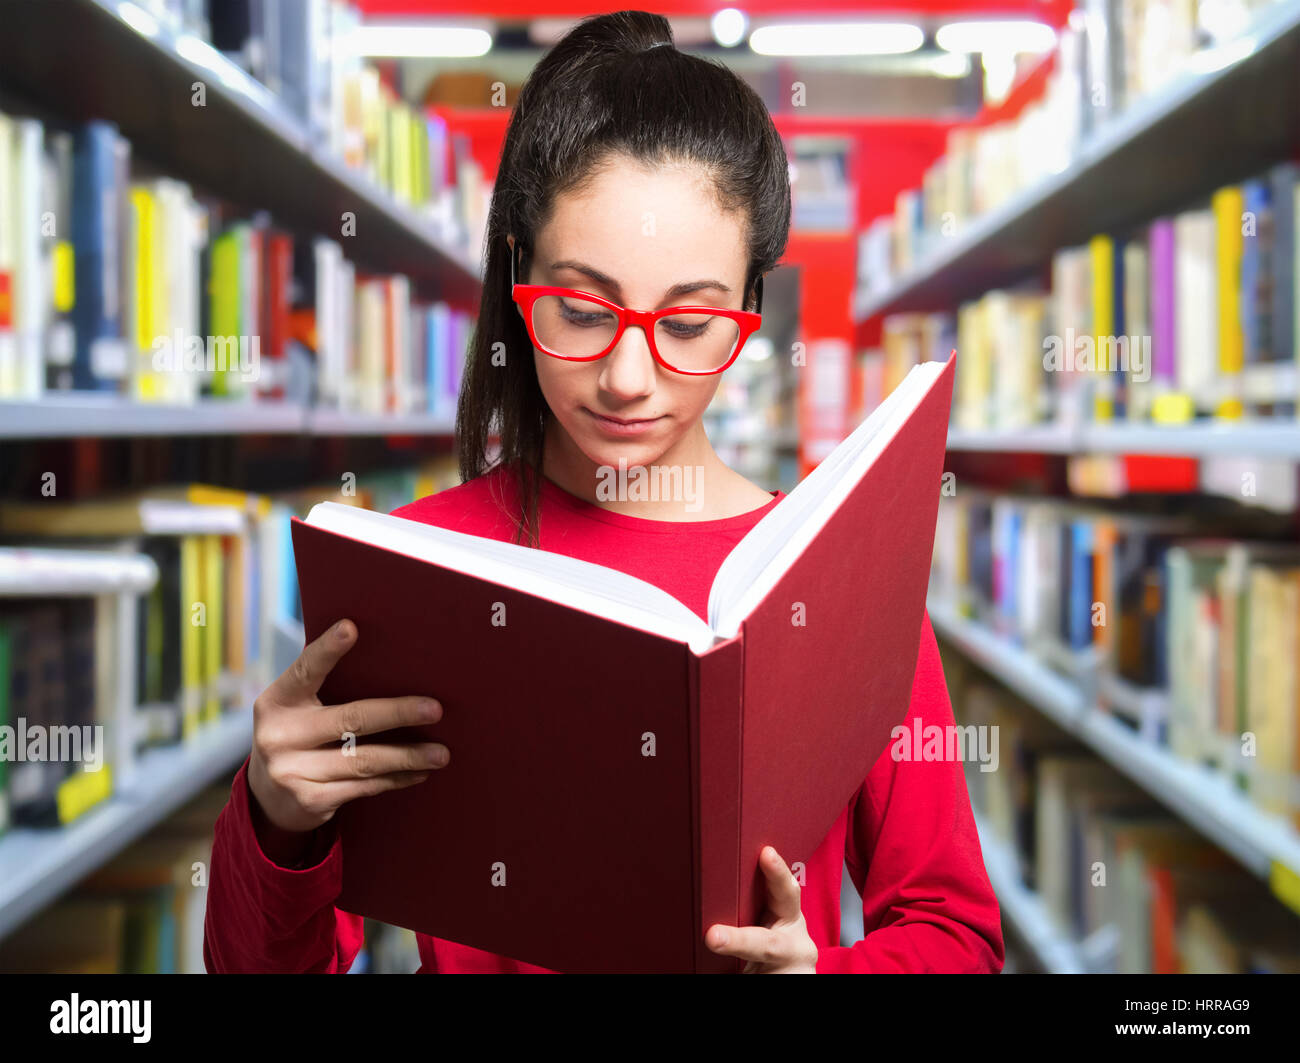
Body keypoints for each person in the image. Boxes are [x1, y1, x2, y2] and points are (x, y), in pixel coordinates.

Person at [203, 9, 1003, 974]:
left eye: (693, 321)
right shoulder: (415, 574)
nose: (629, 376)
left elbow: (956, 936)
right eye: (581, 309)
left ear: (752, 303)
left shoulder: (841, 572)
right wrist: (275, 821)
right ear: (516, 270)